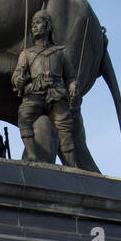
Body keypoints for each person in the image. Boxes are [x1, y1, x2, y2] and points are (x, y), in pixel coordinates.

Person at [11, 10, 79, 166]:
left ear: (47, 26)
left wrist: (73, 85)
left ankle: (73, 167)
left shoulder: (61, 52)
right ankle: (32, 156)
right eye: (32, 24)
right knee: (24, 116)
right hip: (35, 91)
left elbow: (71, 77)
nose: (34, 27)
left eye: (38, 23)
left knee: (64, 127)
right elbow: (17, 74)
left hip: (56, 91)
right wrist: (18, 80)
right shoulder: (27, 53)